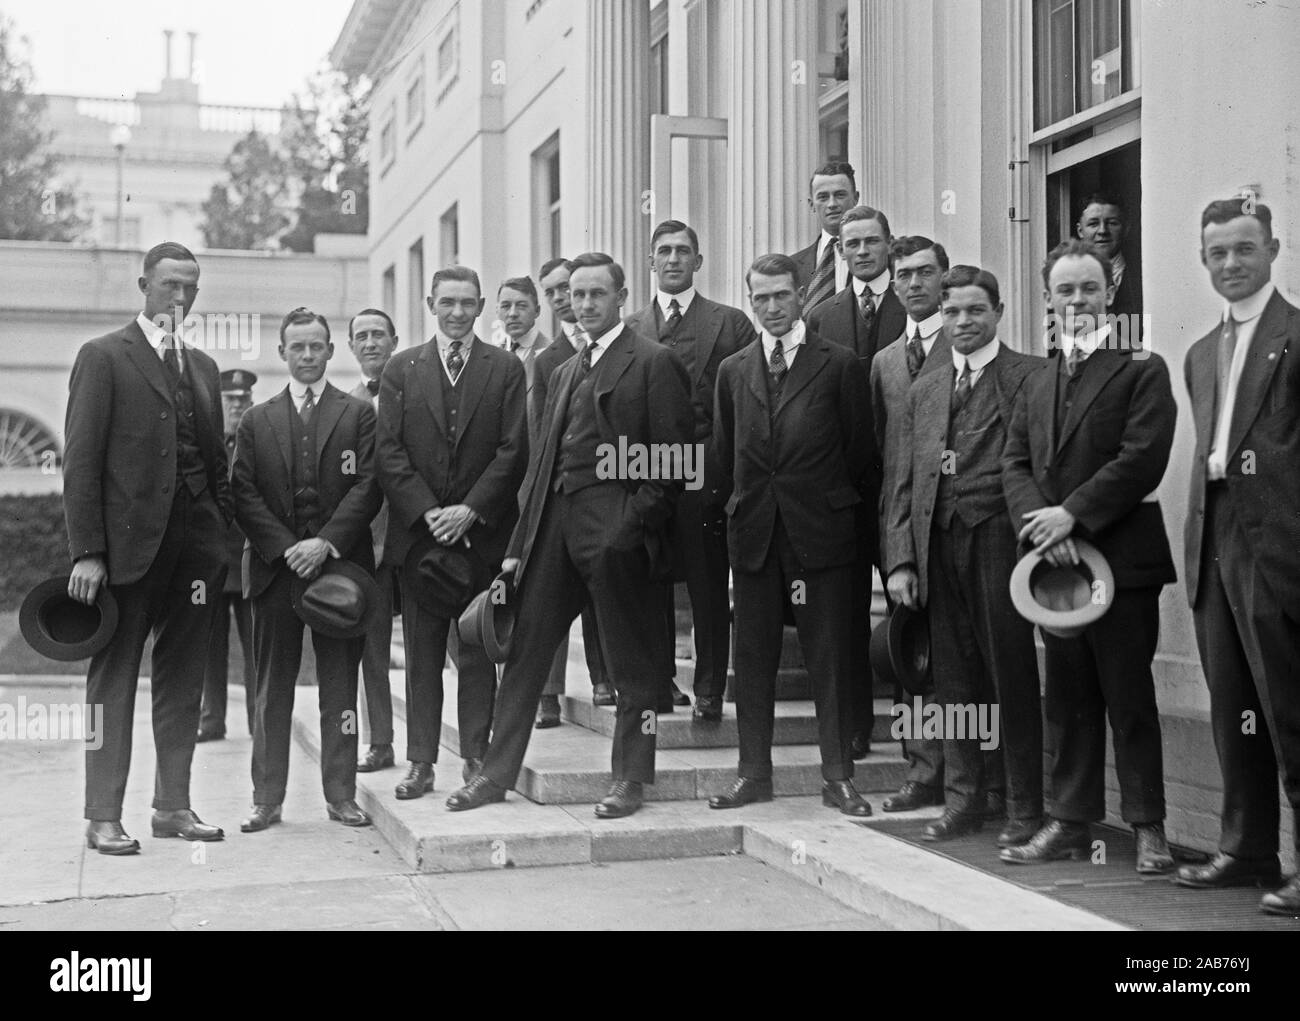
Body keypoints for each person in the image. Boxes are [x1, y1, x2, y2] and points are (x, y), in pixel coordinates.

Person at [445, 253, 693, 819]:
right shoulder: (562, 370)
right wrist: (516, 551)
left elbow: (676, 460)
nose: (584, 305)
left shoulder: (654, 362)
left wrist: (628, 529)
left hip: (616, 530)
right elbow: (539, 466)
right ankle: (494, 774)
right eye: (577, 295)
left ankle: (630, 780)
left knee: (633, 667)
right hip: (552, 530)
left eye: (596, 295)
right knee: (526, 653)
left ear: (621, 297)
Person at [1001, 239, 1176, 873]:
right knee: (1068, 697)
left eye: (1088, 289)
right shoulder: (1036, 379)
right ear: (1048, 298)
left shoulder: (1140, 367)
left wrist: (1072, 513)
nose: (1077, 301)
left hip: (1122, 566)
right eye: (1065, 290)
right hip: (1057, 567)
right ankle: (1070, 822)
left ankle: (1148, 828)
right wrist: (1047, 529)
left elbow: (1142, 456)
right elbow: (1013, 463)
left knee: (1128, 694)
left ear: (1111, 292)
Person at [63, 241, 231, 854]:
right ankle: (102, 815)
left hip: (195, 554)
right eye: (169, 286)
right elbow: (81, 461)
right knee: (113, 682)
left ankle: (172, 806)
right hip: (128, 552)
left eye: (190, 287)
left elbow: (214, 463)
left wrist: (218, 535)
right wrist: (88, 550)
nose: (180, 299)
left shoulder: (205, 368)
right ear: (143, 286)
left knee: (184, 679)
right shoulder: (104, 357)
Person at [708, 253, 873, 817]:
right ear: (750, 301)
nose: (772, 307)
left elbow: (859, 455)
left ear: (802, 294)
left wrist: (827, 509)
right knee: (752, 663)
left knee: (828, 658)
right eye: (761, 298)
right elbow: (727, 455)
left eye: (781, 295)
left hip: (820, 536)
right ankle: (753, 773)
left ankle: (838, 777)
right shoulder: (733, 370)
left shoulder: (840, 364)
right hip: (755, 536)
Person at [884, 265, 1045, 844]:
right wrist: (901, 558)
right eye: (952, 312)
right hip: (937, 547)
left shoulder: (1030, 376)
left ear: (998, 312)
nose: (962, 322)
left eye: (975, 310)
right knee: (952, 680)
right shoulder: (925, 389)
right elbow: (901, 479)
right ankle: (964, 798)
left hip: (1001, 543)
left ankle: (1026, 807)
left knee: (1010, 675)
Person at [1175, 198, 1300, 915]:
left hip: (1276, 545)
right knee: (1234, 703)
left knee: (1289, 705)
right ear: (1202, 259)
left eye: (1244, 250)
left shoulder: (1295, 335)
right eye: (1217, 252)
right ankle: (1247, 846)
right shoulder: (1200, 352)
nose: (1230, 264)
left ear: (1273, 249)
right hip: (1215, 535)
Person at [377, 267, 529, 798]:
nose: (458, 313)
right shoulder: (401, 369)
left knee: (476, 648)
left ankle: (474, 755)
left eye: (468, 303)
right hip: (421, 543)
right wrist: (428, 514)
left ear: (482, 305)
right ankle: (420, 763)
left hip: (481, 539)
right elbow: (389, 452)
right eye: (448, 302)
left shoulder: (506, 368)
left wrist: (469, 511)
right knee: (421, 655)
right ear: (430, 303)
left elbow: (513, 451)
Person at [232, 307, 382, 831]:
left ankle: (341, 795)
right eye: (297, 347)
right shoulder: (257, 419)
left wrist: (324, 544)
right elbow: (242, 493)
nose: (308, 355)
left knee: (340, 686)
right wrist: (286, 547)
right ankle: (266, 798)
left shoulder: (358, 414)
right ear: (282, 353)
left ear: (330, 350)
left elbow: (369, 486)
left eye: (317, 345)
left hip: (339, 572)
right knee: (273, 687)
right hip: (277, 573)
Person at [624, 220, 757, 722]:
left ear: (698, 262)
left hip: (706, 474)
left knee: (705, 583)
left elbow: (743, 407)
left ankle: (708, 688)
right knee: (649, 577)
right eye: (664, 251)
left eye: (684, 251)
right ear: (651, 262)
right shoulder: (631, 327)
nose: (674, 259)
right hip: (646, 472)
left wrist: (728, 482)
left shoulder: (730, 322)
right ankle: (659, 683)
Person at [806, 203, 904, 757]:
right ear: (840, 251)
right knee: (843, 612)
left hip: (901, 485)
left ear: (888, 244)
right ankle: (853, 725)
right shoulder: (823, 316)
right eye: (852, 244)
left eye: (871, 241)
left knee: (907, 604)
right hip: (845, 490)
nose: (862, 251)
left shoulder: (915, 305)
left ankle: (916, 730)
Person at [869, 236, 952, 811]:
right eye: (905, 275)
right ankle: (922, 771)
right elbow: (889, 463)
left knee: (967, 657)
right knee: (913, 657)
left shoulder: (971, 345)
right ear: (893, 285)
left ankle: (978, 777)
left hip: (963, 529)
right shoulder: (885, 363)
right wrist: (897, 554)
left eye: (926, 273)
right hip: (909, 538)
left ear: (944, 278)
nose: (916, 284)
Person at [533, 256, 614, 721]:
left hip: (613, 491)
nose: (566, 299)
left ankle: (606, 679)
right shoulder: (550, 361)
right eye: (557, 292)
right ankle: (549, 694)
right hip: (567, 493)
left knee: (606, 589)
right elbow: (544, 434)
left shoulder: (630, 347)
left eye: (572, 288)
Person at [347, 309, 400, 773]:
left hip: (422, 540)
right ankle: (380, 742)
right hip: (372, 545)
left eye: (378, 335)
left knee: (452, 641)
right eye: (361, 336)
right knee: (373, 649)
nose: (370, 343)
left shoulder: (420, 391)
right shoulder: (346, 406)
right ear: (351, 347)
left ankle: (480, 738)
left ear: (394, 341)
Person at [197, 368, 258, 743]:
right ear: (217, 403)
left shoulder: (259, 439)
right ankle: (211, 719)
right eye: (230, 399)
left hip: (250, 558)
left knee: (256, 647)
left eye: (242, 399)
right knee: (207, 645)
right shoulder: (205, 444)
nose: (237, 405)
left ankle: (258, 720)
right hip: (211, 560)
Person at [790, 161, 860, 316]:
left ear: (856, 198)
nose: (832, 204)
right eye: (823, 197)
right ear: (811, 204)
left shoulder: (875, 257)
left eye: (840, 195)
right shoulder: (793, 266)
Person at [1076, 192, 1141, 317]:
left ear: (1126, 228)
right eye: (1093, 224)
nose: (1102, 231)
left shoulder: (1143, 276)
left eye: (1112, 223)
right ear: (1080, 231)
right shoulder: (1068, 278)